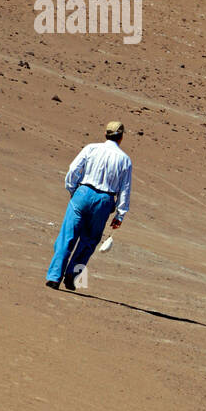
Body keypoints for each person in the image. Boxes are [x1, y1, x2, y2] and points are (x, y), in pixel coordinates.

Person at [46, 121, 133, 290]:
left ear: (105, 134)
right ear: (121, 137)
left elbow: (73, 169)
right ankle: (72, 275)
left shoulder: (91, 148)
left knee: (67, 236)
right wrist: (120, 214)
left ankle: (54, 277)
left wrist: (73, 190)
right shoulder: (124, 159)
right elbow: (125, 188)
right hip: (105, 200)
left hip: (83, 192)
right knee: (89, 241)